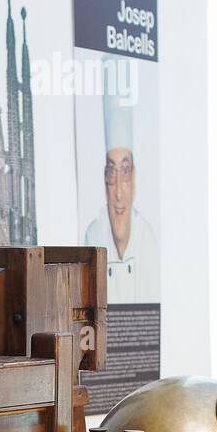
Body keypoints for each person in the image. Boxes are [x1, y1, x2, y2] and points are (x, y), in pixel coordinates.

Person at [84, 62, 159, 303]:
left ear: (134, 178)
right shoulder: (92, 234)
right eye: (111, 172)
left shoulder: (148, 238)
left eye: (125, 172)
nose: (118, 192)